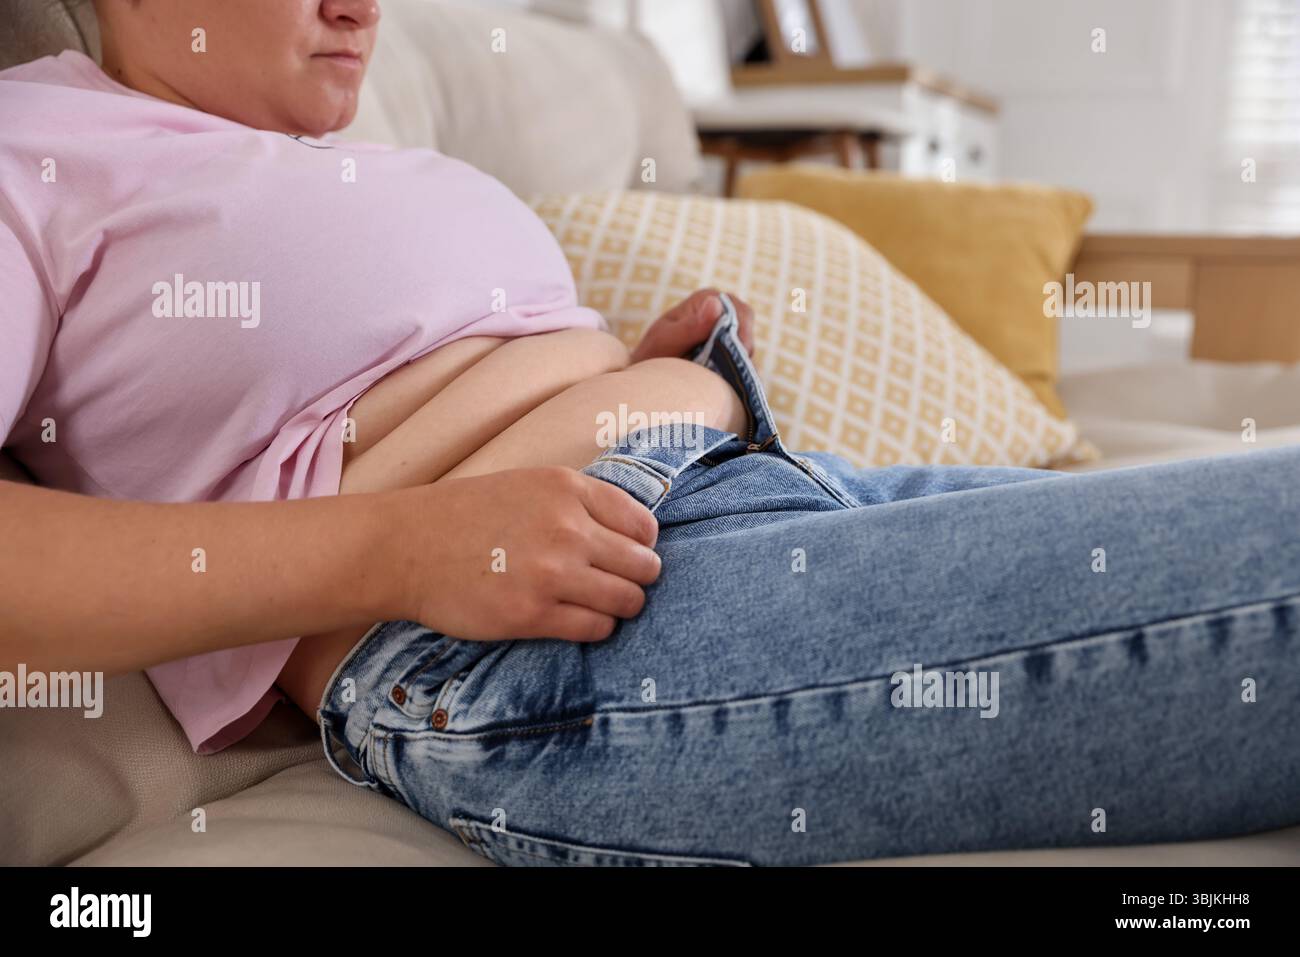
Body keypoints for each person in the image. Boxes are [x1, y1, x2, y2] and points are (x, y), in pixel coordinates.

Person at [2, 0, 1296, 866]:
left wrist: (633, 376)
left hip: (746, 482)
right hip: (538, 643)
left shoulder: (306, 151)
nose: (361, 6)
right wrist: (401, 546)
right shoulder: (36, 148)